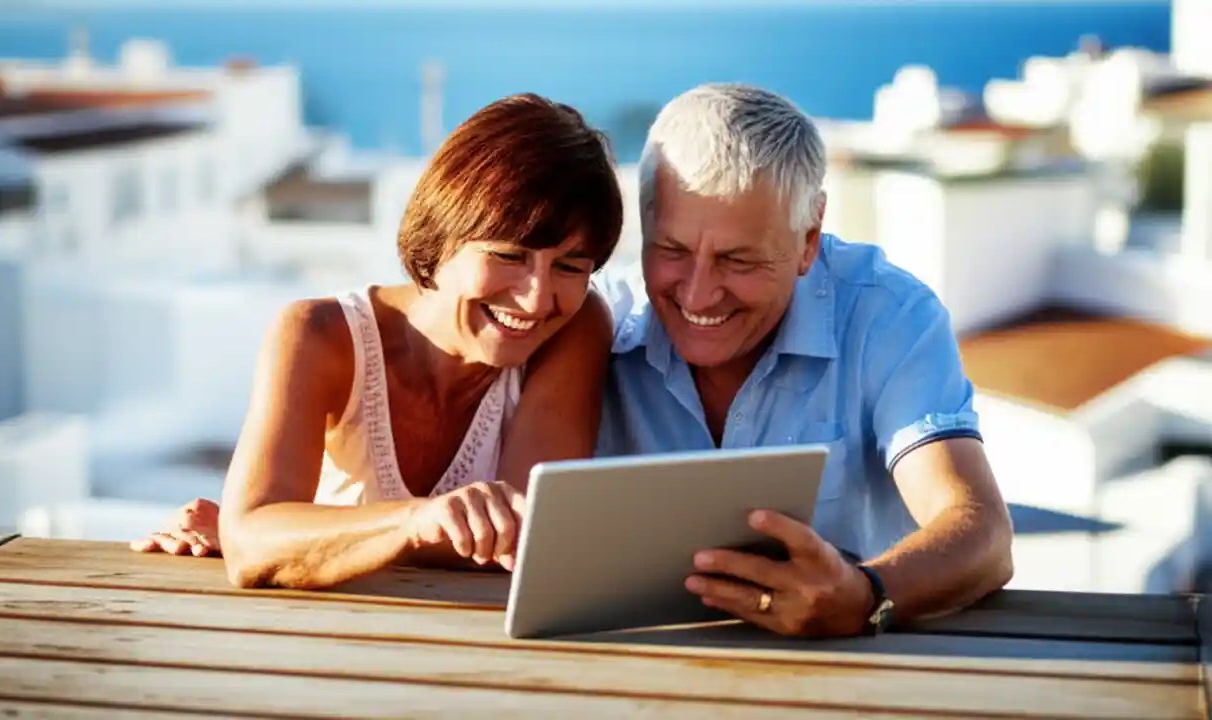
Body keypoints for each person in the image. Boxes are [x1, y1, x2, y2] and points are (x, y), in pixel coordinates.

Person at [131, 94, 623, 588]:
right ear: (442, 238)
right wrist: (414, 521)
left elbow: (521, 538)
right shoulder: (319, 336)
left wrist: (306, 541)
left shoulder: (574, 329)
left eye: (569, 266)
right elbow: (251, 551)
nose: (538, 299)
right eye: (510, 256)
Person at [595, 83, 1014, 638]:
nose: (697, 296)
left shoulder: (886, 316)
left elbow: (982, 534)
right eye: (671, 251)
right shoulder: (597, 324)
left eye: (737, 260)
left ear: (809, 239)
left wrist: (866, 595)